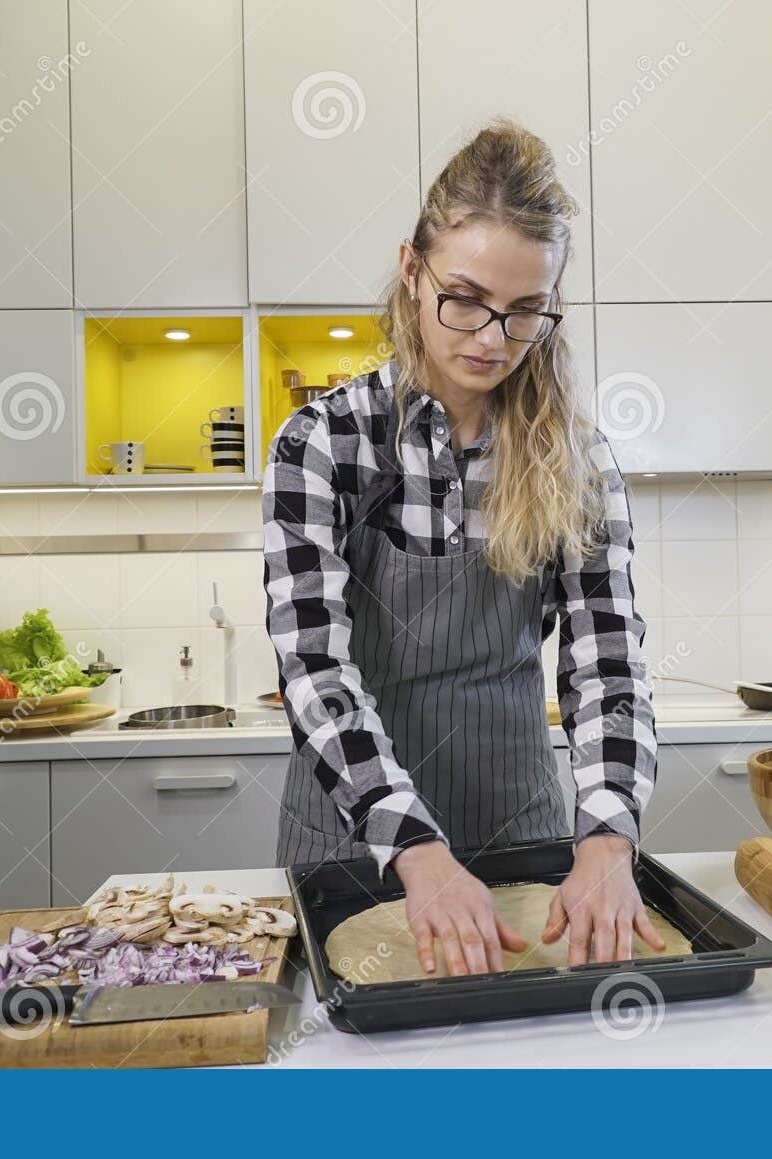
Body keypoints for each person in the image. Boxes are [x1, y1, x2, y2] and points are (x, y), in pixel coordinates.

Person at [262, 119, 661, 974]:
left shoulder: (576, 462)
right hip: (351, 853)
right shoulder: (322, 446)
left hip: (520, 842)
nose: (491, 338)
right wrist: (415, 849)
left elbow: (608, 671)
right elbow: (315, 674)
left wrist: (607, 841)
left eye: (525, 312)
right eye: (466, 298)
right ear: (412, 272)